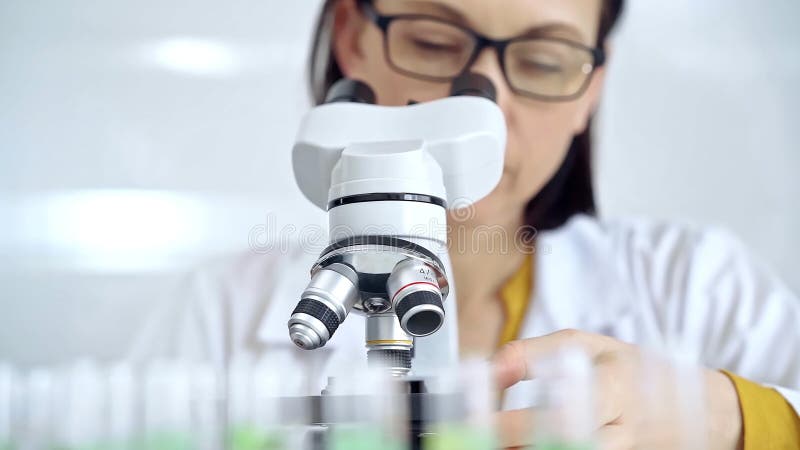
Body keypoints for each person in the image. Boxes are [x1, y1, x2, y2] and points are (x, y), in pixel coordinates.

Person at [131, 0, 800, 448]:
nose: (481, 107)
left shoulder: (698, 289)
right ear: (349, 40)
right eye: (431, 41)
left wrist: (723, 416)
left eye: (541, 61)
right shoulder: (218, 313)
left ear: (590, 91)